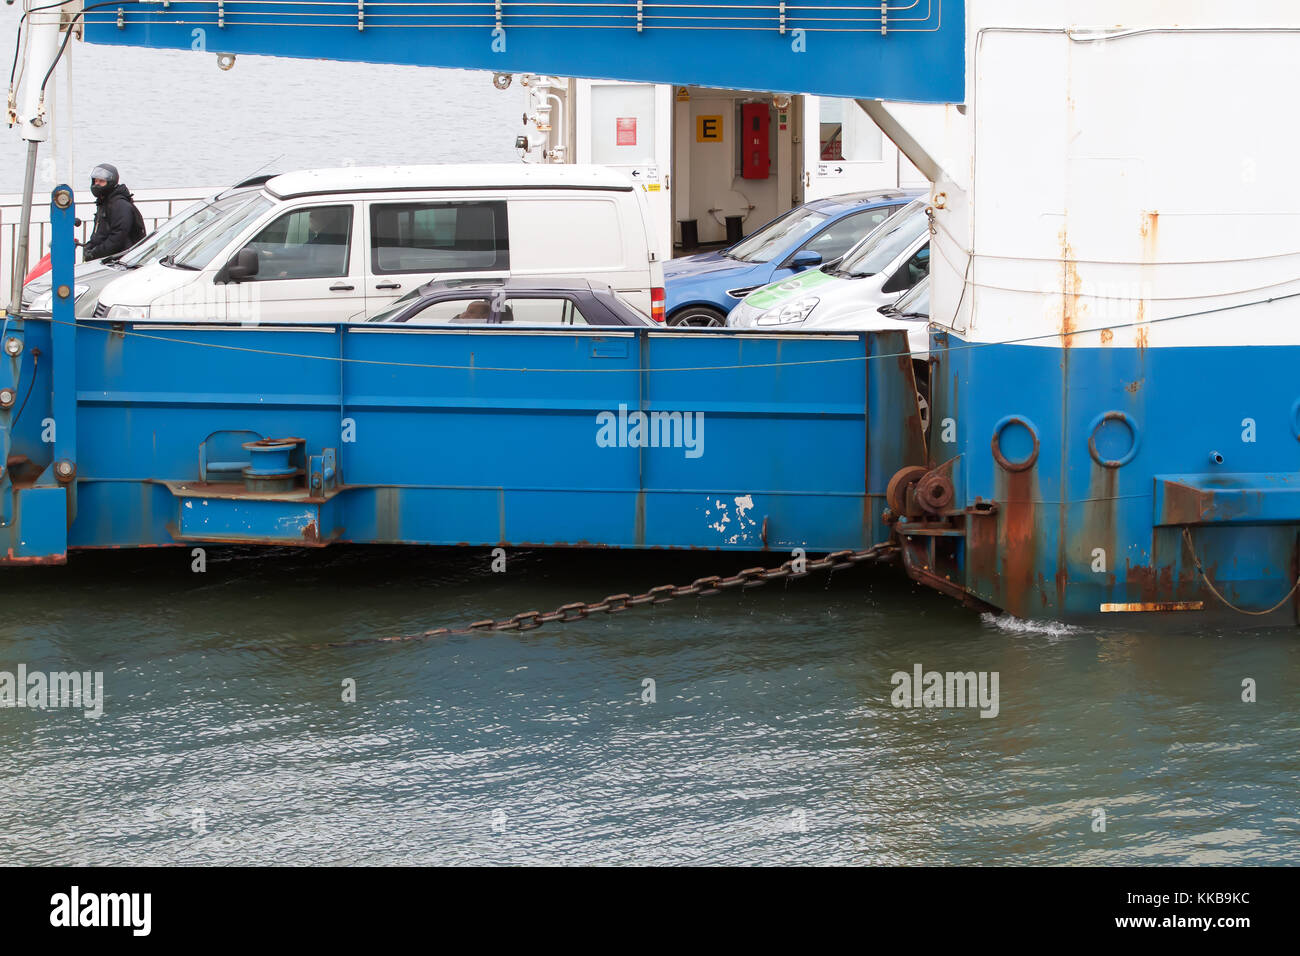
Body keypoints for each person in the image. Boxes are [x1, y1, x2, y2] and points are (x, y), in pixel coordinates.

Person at [82, 164, 146, 262]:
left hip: (120, 260)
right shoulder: (104, 202)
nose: (97, 185)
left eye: (101, 181)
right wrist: (90, 246)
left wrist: (95, 253)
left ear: (110, 182)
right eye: (95, 181)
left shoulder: (120, 205)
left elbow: (117, 238)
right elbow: (100, 233)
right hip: (106, 257)